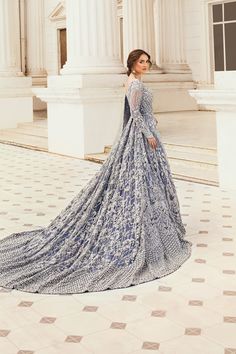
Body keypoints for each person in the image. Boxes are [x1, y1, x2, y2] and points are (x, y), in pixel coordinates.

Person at [0, 49, 192, 294]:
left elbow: (138, 113)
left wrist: (152, 124)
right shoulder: (134, 85)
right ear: (132, 63)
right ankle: (140, 228)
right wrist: (147, 133)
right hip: (143, 138)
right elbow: (133, 114)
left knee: (148, 181)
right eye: (141, 61)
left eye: (147, 61)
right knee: (139, 182)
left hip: (147, 134)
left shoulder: (137, 83)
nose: (146, 65)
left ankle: (152, 222)